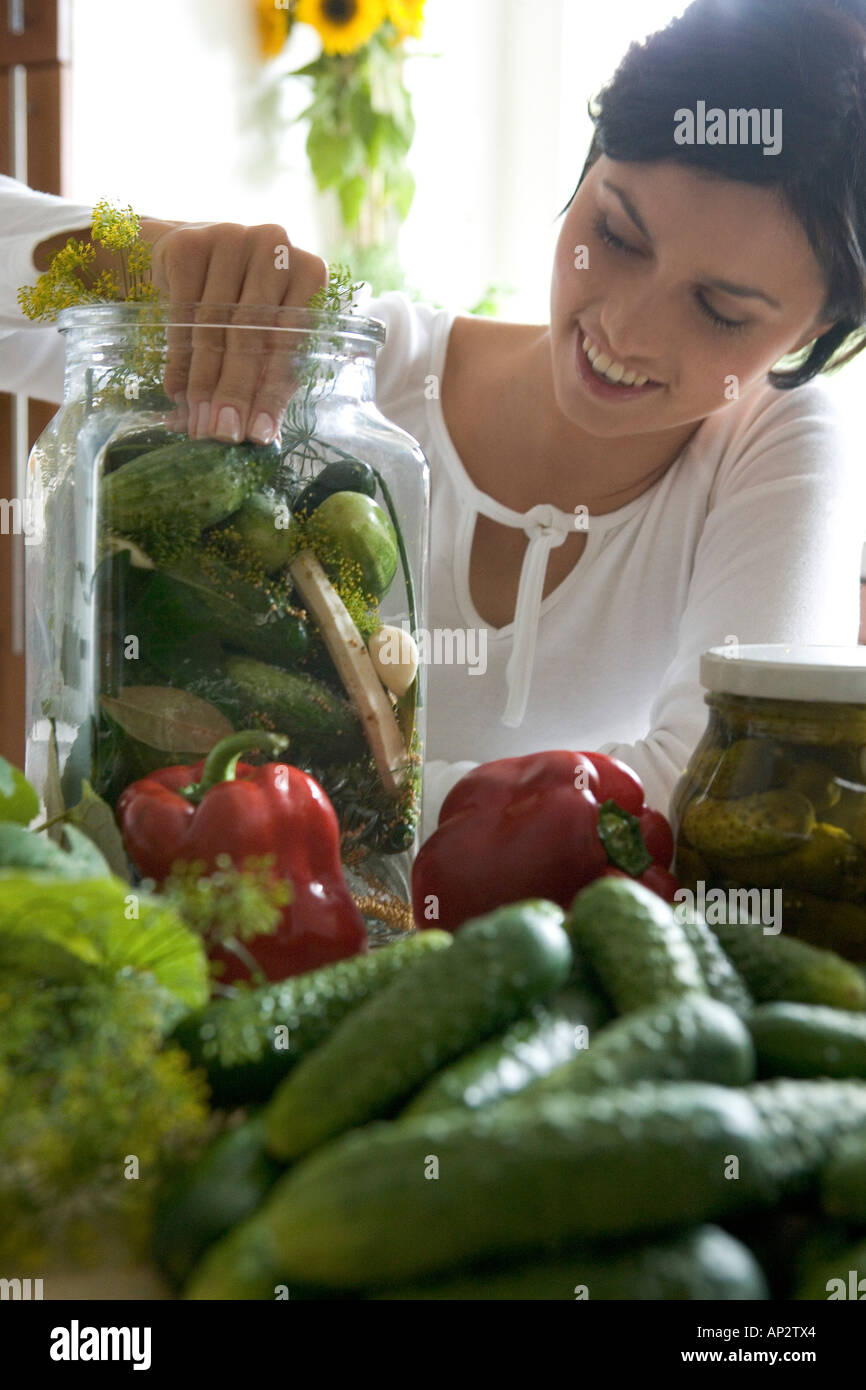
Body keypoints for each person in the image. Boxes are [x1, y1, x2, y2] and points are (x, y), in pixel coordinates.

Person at [3, 0, 866, 840]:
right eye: (616, 235)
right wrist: (139, 258)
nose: (626, 329)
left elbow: (712, 795)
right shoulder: (352, 368)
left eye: (719, 311)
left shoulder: (778, 446)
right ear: (589, 165)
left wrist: (304, 793)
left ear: (818, 328)